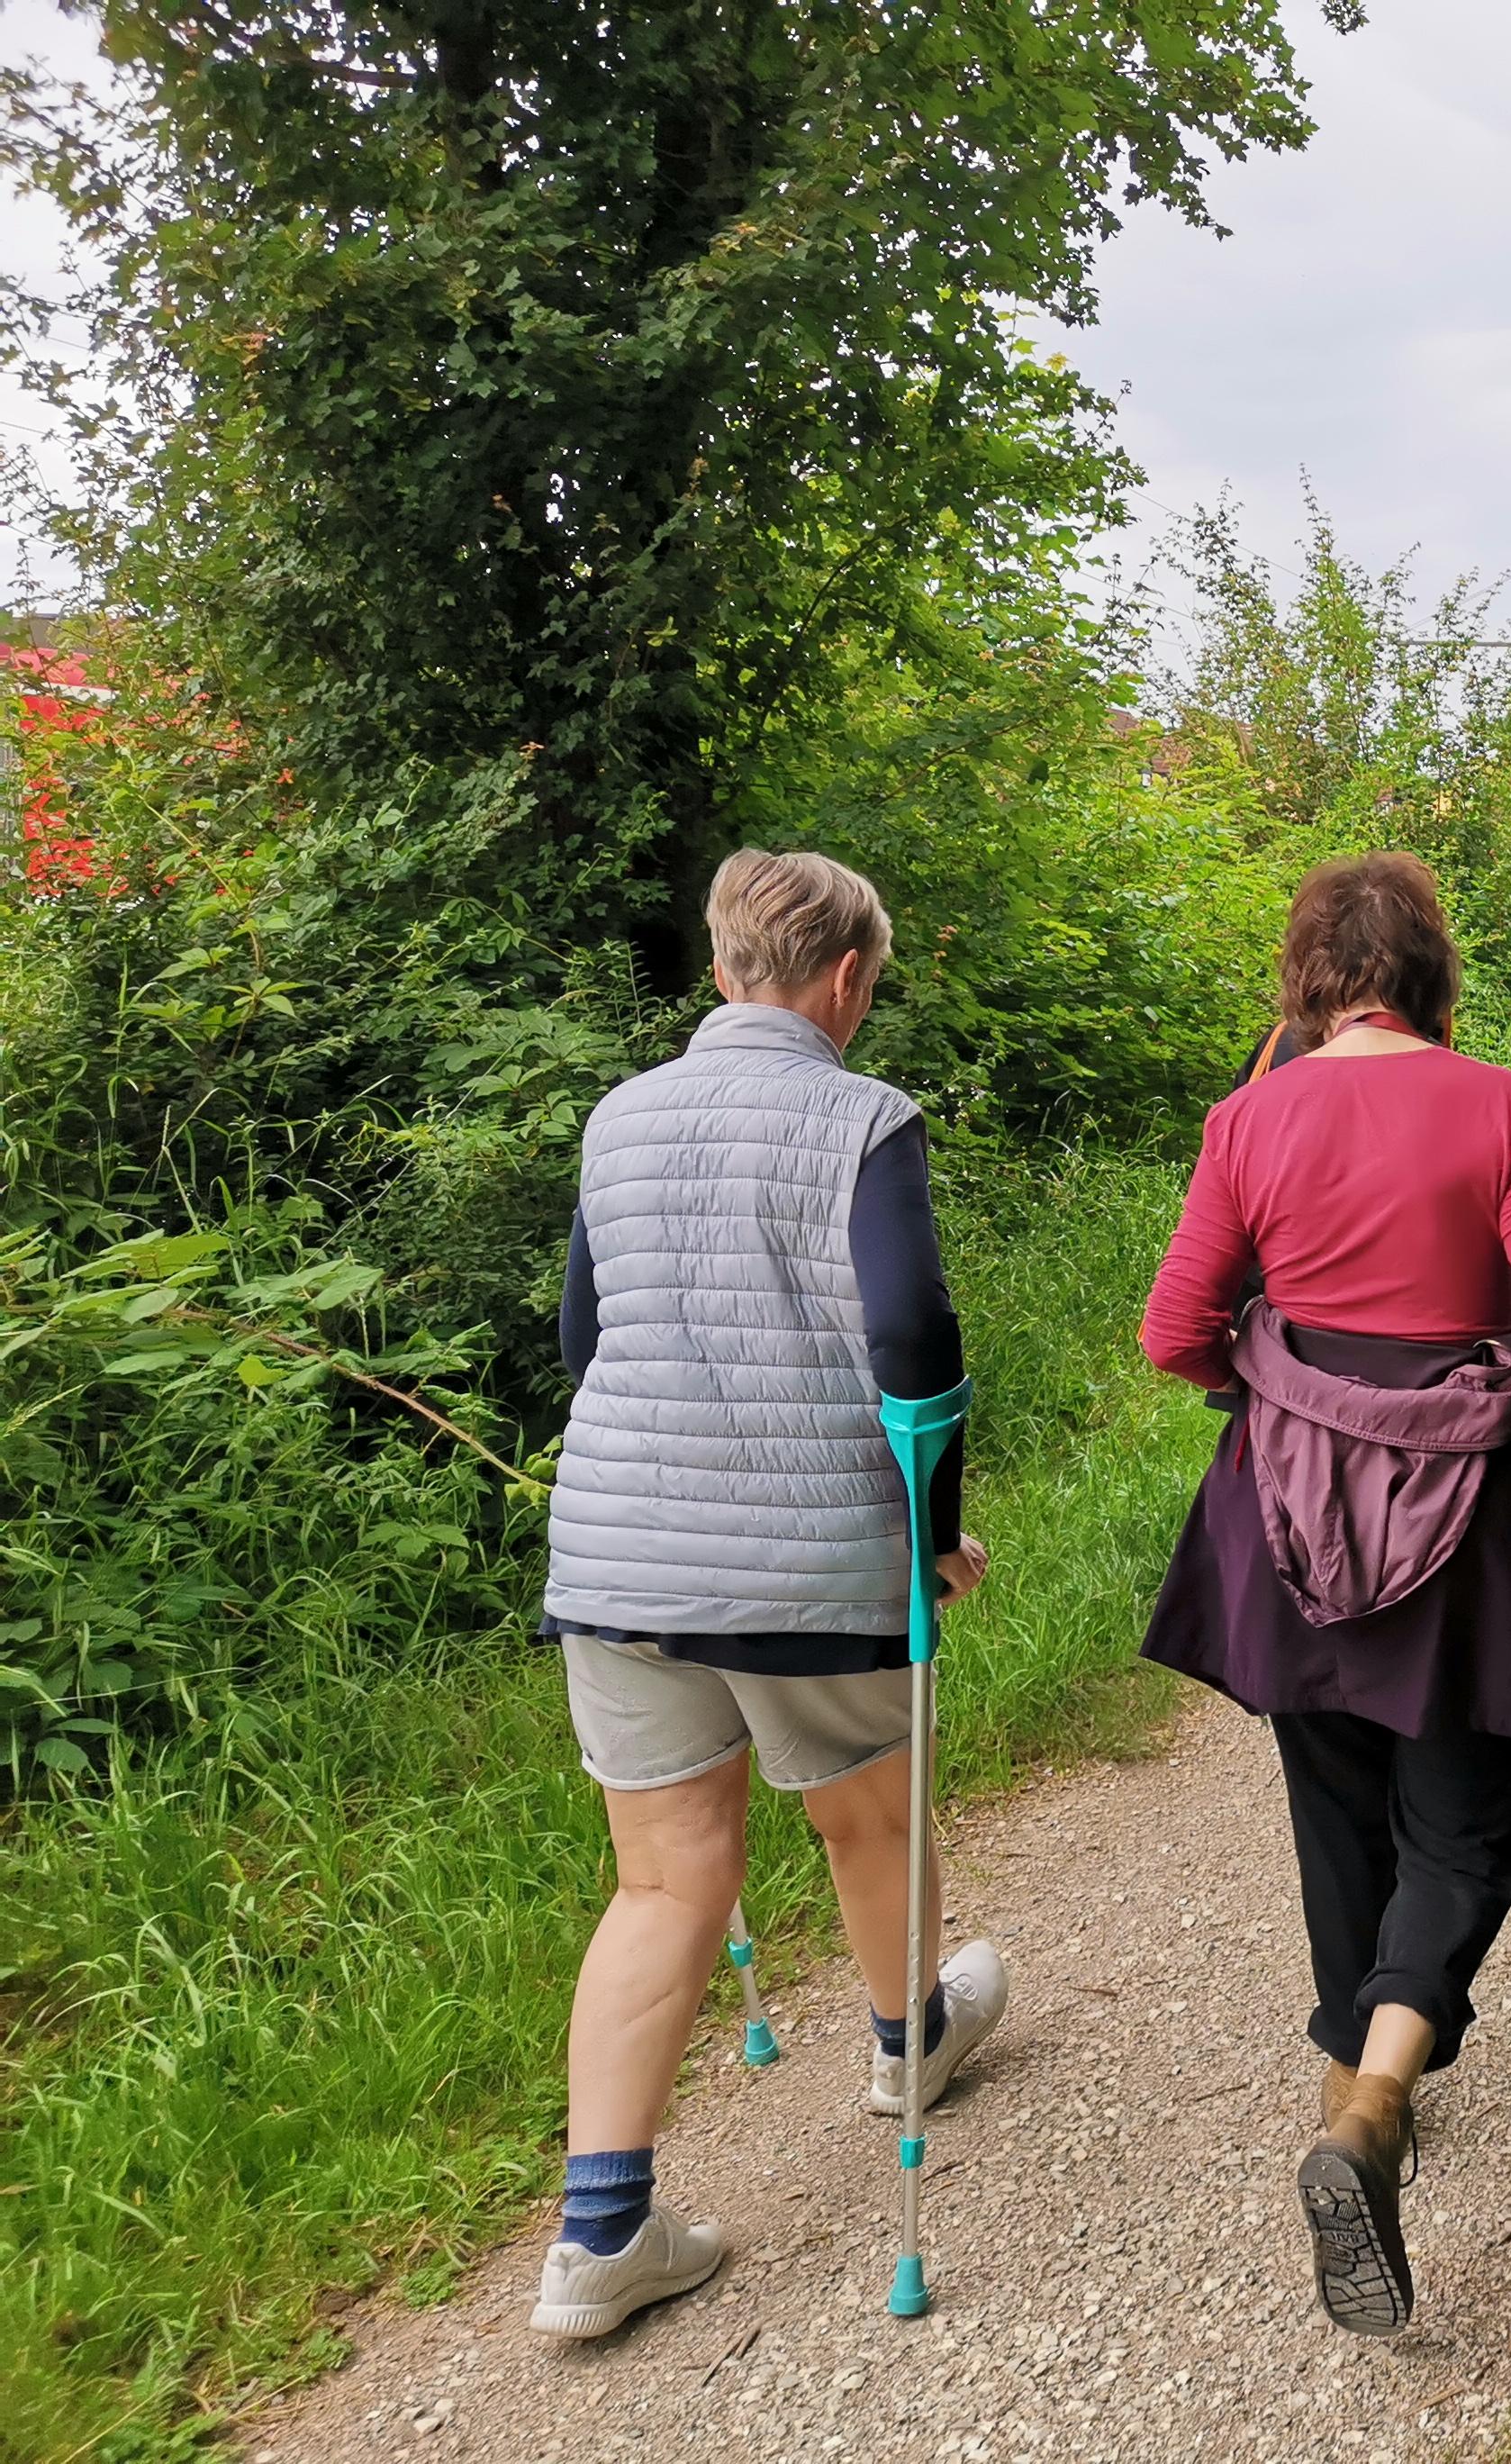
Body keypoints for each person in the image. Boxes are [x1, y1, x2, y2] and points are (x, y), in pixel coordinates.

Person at [532, 849, 1002, 2341]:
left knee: (665, 1879)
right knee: (865, 1810)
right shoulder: (863, 1116)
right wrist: (934, 1530)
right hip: (803, 1551)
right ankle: (903, 2043)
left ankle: (598, 2239)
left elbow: (578, 1332)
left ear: (723, 966)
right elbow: (913, 1337)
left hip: (615, 1553)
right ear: (847, 978)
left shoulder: (619, 1117)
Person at [1136, 853, 1511, 2341]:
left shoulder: (1246, 1116)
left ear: (1306, 978)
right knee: (1459, 1823)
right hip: (1468, 1527)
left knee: (1333, 1799)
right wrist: (1486, 1431)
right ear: (1431, 973)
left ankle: (1356, 2075)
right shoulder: (1497, 1104)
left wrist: (1283, 1401)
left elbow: (1176, 1332)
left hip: (1282, 1519)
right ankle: (1375, 2108)